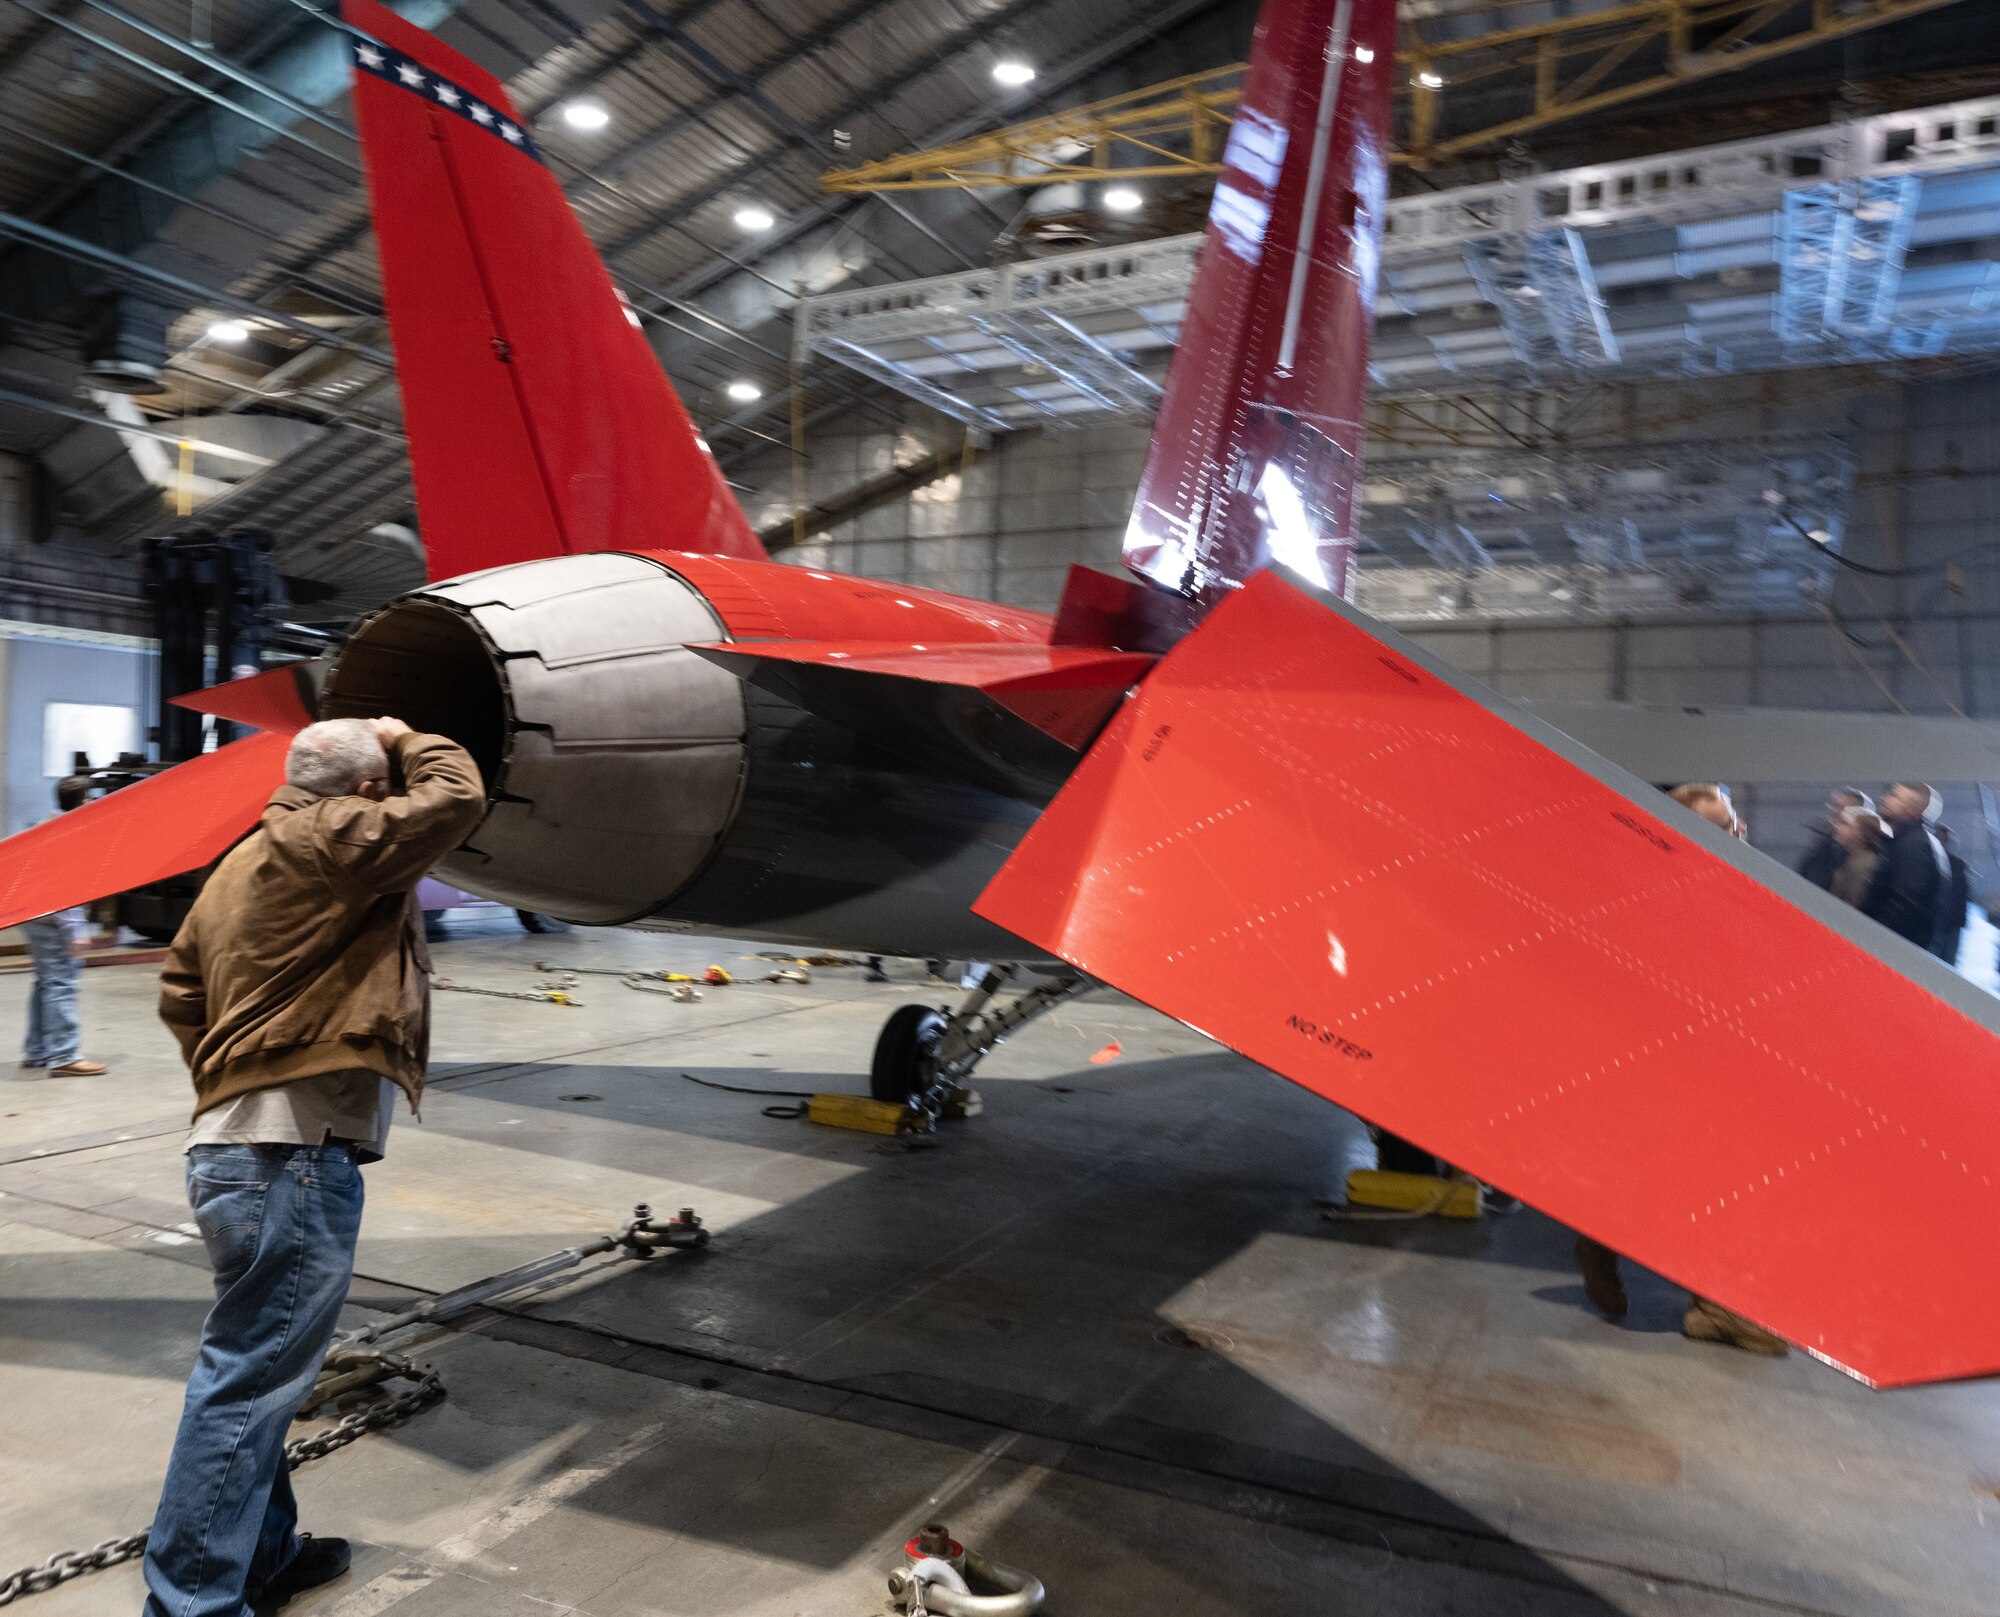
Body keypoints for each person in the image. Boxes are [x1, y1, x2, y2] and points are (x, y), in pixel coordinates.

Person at [142, 717, 483, 1616]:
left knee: (264, 1370)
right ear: (368, 791)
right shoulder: (330, 832)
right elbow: (457, 797)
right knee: (250, 1383)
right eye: (384, 787)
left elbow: (180, 991)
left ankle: (263, 1556)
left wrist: (238, 1071)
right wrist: (409, 737)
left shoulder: (244, 858)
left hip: (234, 1146)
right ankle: (191, 1604)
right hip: (285, 1154)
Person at [1573, 780, 1786, 1355]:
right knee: (1705, 1174)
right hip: (1670, 1055)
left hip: (1720, 1054)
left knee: (1715, 1173)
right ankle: (1713, 1303)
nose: (1733, 833)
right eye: (1717, 827)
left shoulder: (1728, 876)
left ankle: (1712, 1302)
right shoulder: (1655, 881)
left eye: (1732, 821)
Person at [19, 774, 108, 1077]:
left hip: (35, 917)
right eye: (91, 797)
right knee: (61, 984)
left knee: (45, 983)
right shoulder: (72, 834)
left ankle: (37, 1050)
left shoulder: (48, 826)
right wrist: (78, 932)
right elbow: (66, 888)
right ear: (83, 801)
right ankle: (65, 1055)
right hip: (53, 918)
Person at [1861, 782, 1949, 948]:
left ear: (1915, 809)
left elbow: (1901, 908)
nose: (1884, 799)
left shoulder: (1916, 846)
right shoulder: (1905, 841)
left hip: (1890, 948)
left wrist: (1872, 943)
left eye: (1894, 797)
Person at [1796, 787, 1869, 891]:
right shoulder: (1825, 842)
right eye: (1835, 806)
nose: (1836, 811)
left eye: (1841, 807)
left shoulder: (1855, 850)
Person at [1829, 808, 1887, 909]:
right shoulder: (1847, 858)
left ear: (1863, 833)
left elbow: (1853, 906)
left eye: (1844, 824)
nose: (1837, 828)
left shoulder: (1864, 866)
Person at [1932, 825, 1971, 965]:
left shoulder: (1934, 861)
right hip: (1949, 921)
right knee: (1947, 960)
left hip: (1944, 921)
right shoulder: (1957, 864)